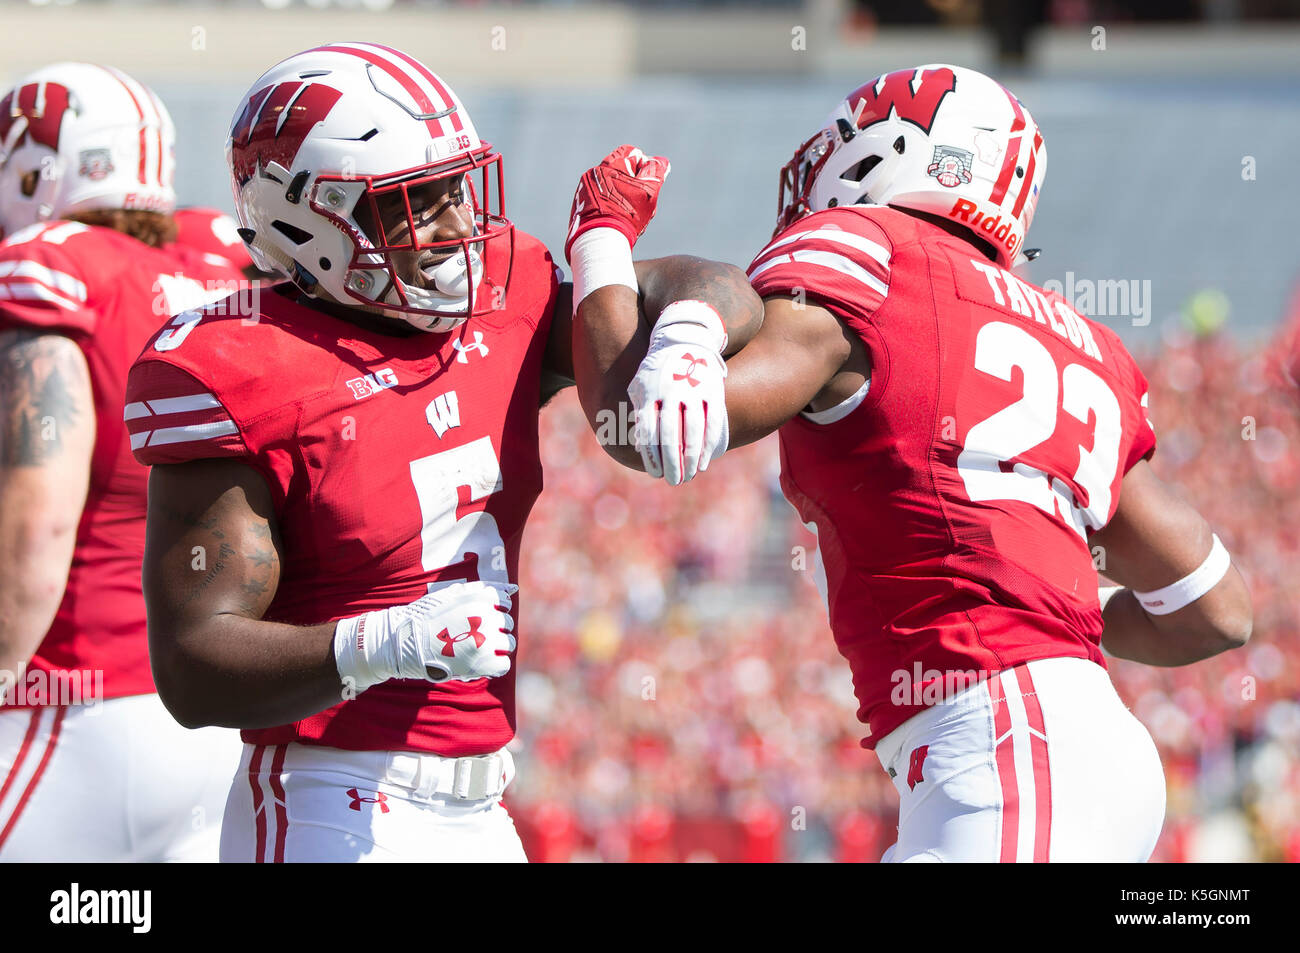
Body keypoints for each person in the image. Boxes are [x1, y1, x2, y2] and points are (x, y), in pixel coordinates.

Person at [124, 42, 762, 863]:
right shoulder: (235, 365)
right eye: (419, 201)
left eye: (457, 189)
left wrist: (688, 332)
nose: (460, 224)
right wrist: (382, 641)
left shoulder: (506, 299)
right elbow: (193, 663)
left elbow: (708, 284)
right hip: (330, 798)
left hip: (486, 804)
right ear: (305, 217)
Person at [615, 64, 1253, 861]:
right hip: (1059, 745)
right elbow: (1216, 609)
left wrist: (619, 271)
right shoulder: (1082, 341)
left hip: (1006, 742)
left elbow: (662, 431)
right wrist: (1066, 605)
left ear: (906, 155)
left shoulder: (871, 249)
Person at [0, 62, 248, 861]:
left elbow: (36, 526)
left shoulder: (56, 268)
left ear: (37, 171)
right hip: (216, 721)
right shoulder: (222, 271)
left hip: (73, 711)